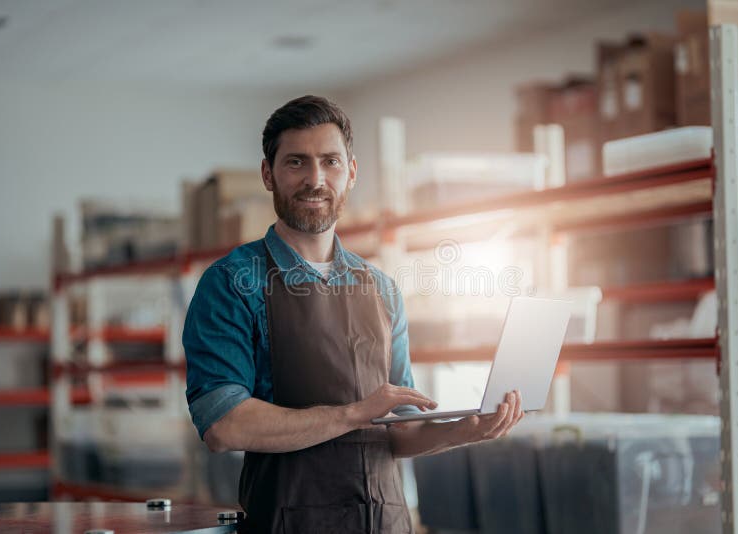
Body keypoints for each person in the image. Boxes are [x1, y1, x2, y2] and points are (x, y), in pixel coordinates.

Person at [184, 95, 524, 533]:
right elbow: (224, 426)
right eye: (296, 163)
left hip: (384, 522)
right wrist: (356, 413)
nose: (315, 179)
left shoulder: (382, 289)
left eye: (330, 162)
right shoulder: (232, 283)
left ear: (352, 172)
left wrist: (467, 429)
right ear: (268, 174)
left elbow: (398, 428)